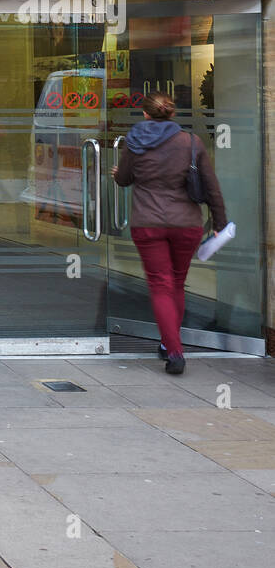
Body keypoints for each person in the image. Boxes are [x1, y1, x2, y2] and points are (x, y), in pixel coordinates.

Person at [113, 91, 227, 375]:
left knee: (160, 284)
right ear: (173, 113)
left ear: (146, 114)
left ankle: (174, 351)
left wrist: (117, 173)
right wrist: (219, 222)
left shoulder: (135, 140)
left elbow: (124, 179)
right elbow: (211, 186)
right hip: (186, 223)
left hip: (148, 223)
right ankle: (169, 344)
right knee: (177, 282)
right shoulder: (191, 142)